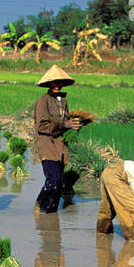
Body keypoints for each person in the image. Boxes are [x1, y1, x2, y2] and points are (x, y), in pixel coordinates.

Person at [33, 66, 81, 214]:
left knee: (59, 184)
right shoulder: (43, 101)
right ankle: (42, 211)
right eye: (54, 82)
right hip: (47, 145)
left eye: (59, 82)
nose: (57, 85)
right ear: (48, 84)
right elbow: (41, 126)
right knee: (54, 180)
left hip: (61, 148)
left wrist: (74, 126)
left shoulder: (63, 101)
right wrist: (64, 124)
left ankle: (48, 214)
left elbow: (66, 123)